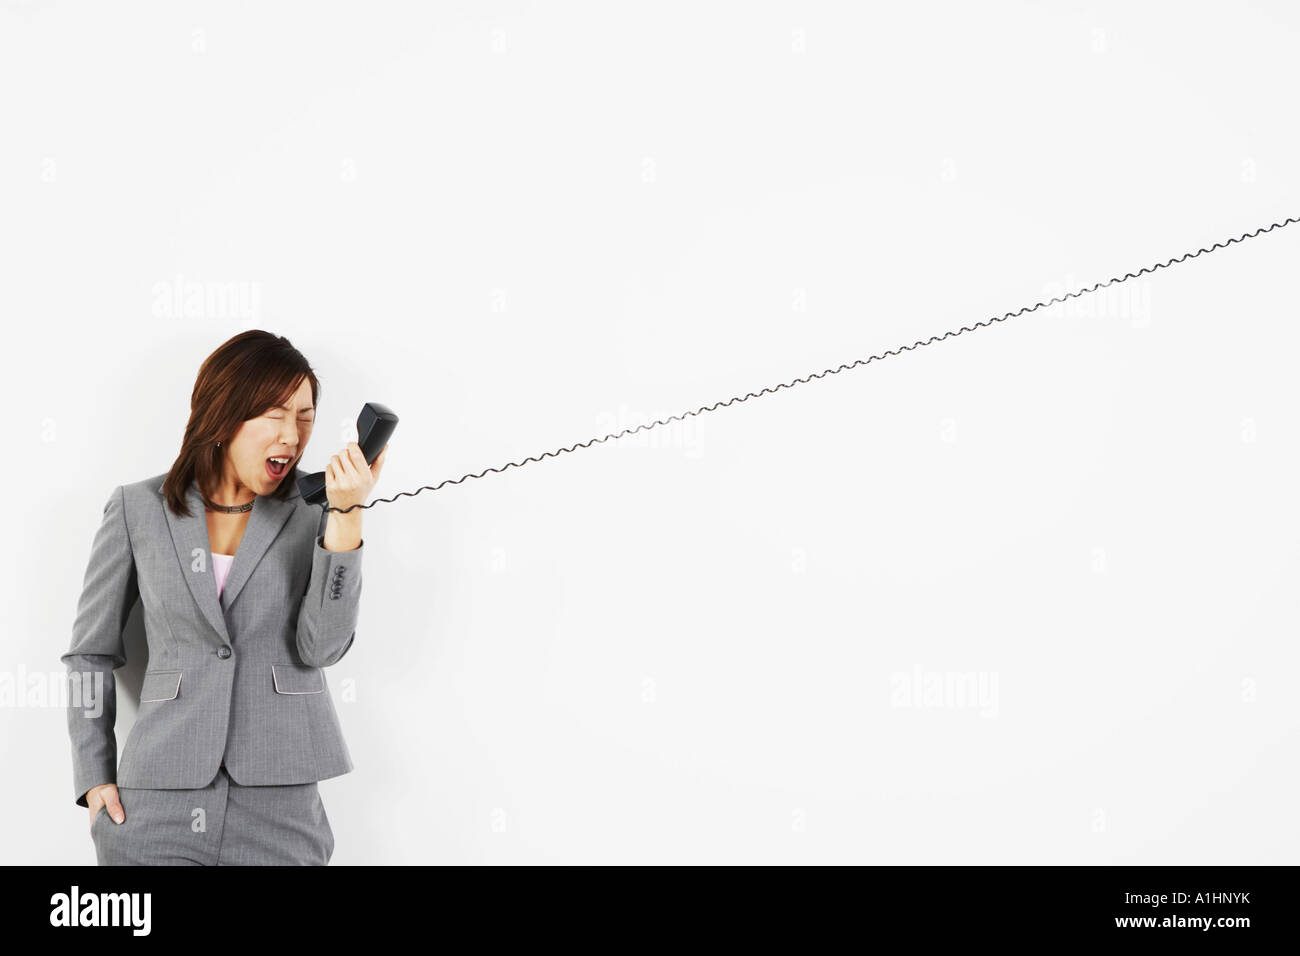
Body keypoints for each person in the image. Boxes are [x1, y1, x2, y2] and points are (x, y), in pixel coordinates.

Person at [62, 329, 388, 865]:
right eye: (274, 414)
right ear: (223, 414)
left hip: (280, 805)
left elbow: (322, 648)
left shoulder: (319, 510)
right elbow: (89, 653)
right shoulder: (136, 508)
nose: (293, 434)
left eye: (305, 415)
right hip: (157, 803)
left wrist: (347, 514)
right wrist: (93, 777)